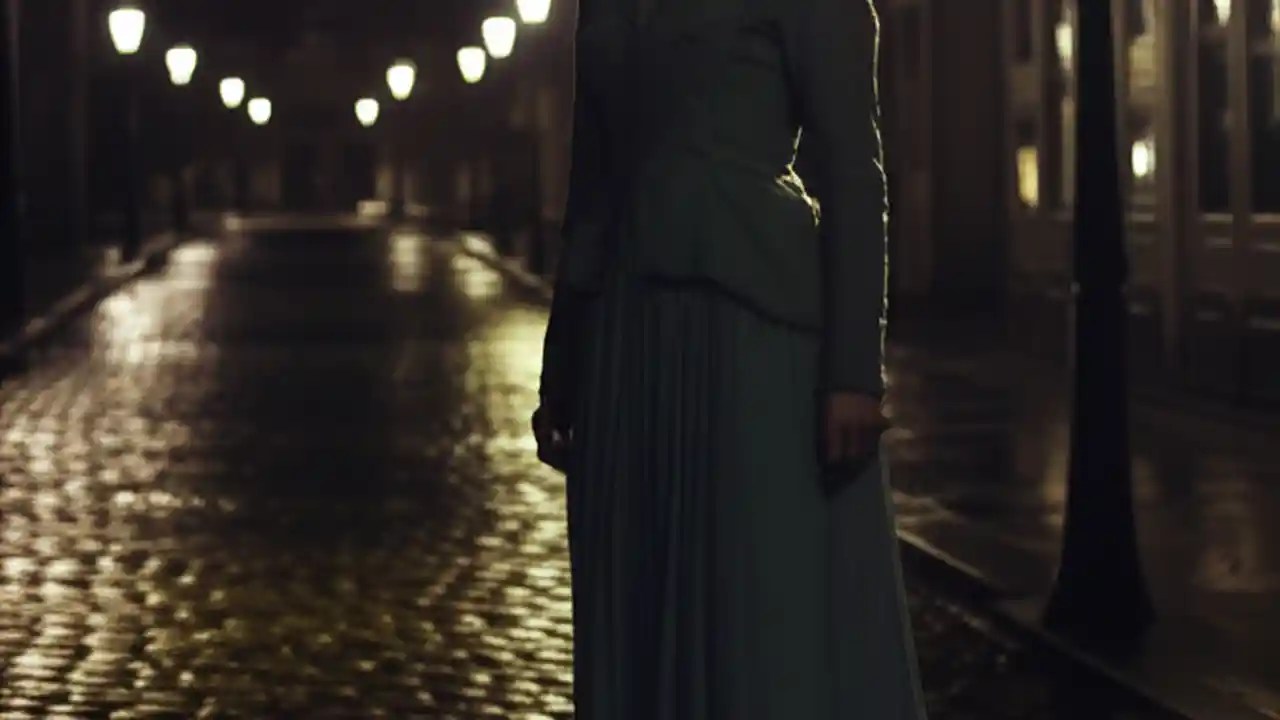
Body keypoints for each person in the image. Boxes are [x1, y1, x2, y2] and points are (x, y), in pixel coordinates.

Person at [532, 0, 928, 716]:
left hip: (755, 335)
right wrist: (563, 366)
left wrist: (851, 375)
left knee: (757, 602)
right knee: (637, 602)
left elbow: (853, 172)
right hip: (627, 339)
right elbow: (589, 195)